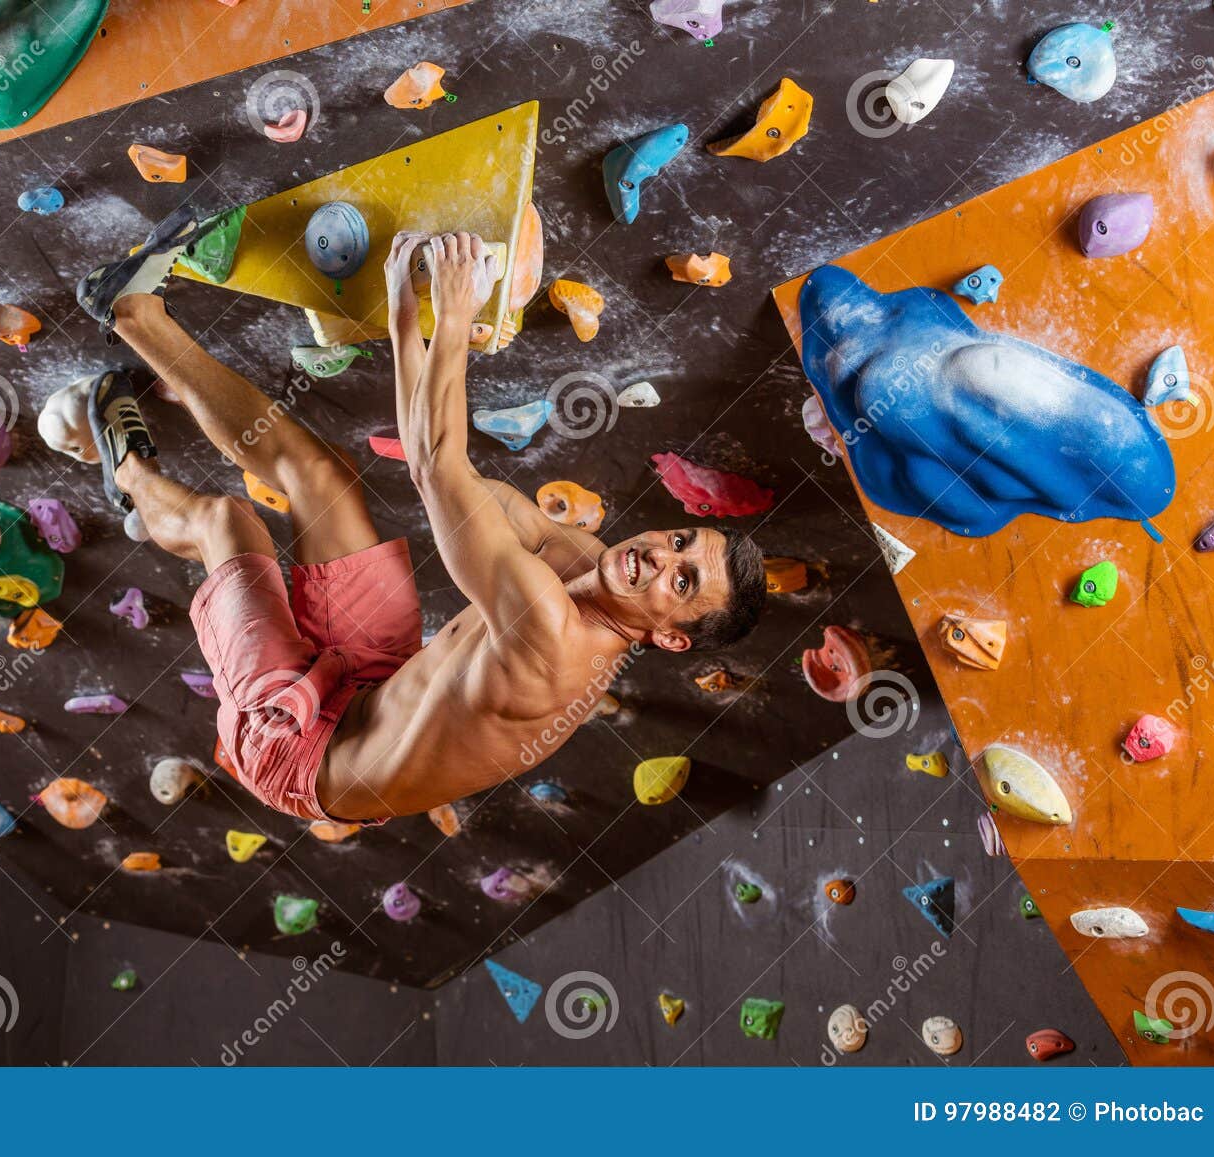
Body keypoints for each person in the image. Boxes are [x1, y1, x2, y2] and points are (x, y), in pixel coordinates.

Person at [74, 211, 765, 823]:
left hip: (300, 755)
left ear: (672, 638)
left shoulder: (554, 643)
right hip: (376, 679)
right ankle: (130, 307)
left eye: (680, 582)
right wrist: (409, 309)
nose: (659, 557)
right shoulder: (583, 557)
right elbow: (436, 467)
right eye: (680, 541)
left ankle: (129, 465)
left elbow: (439, 465)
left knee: (228, 524)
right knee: (320, 479)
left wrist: (456, 313)